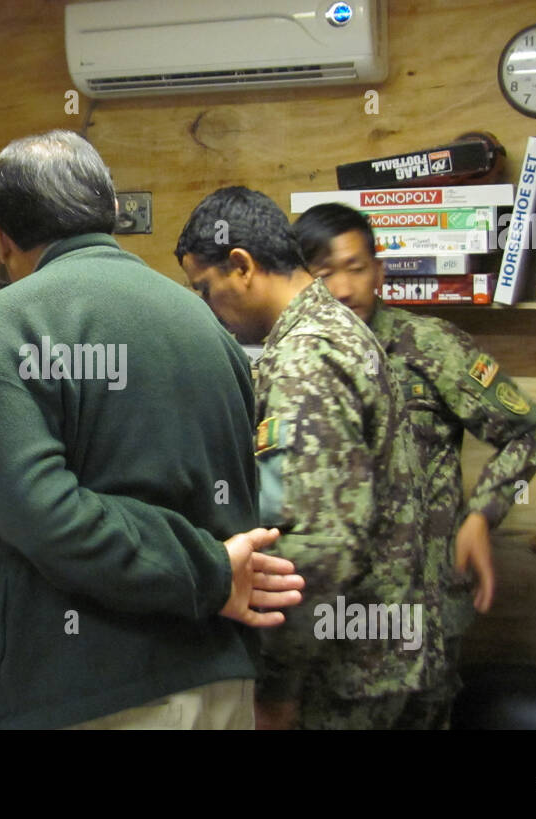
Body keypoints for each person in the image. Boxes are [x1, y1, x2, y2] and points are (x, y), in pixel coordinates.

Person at [0, 131, 304, 730]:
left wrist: (208, 569)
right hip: (220, 678)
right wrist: (213, 568)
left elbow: (43, 514)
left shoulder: (1, 324)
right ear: (109, 213)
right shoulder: (204, 319)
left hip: (95, 692)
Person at [176, 186, 433, 730]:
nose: (206, 306)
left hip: (337, 674)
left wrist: (276, 688)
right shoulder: (334, 331)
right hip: (371, 649)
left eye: (205, 287)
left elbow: (315, 546)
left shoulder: (305, 358)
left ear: (241, 266)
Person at [295, 201, 536, 727]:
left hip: (429, 620)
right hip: (340, 632)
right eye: (325, 275)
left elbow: (528, 433)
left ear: (380, 270)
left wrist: (482, 515)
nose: (344, 290)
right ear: (303, 280)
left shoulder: (428, 346)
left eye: (357, 268)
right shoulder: (294, 360)